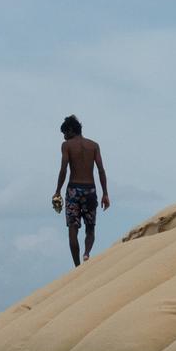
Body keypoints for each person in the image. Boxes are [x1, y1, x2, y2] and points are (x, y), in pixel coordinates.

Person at [54, 114, 110, 266]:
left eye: (65, 133)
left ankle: (77, 266)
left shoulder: (67, 146)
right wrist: (105, 193)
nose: (64, 137)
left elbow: (63, 170)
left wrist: (58, 191)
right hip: (90, 190)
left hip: (73, 190)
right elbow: (101, 170)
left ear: (71, 130)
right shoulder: (94, 145)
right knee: (90, 228)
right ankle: (86, 253)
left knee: (73, 228)